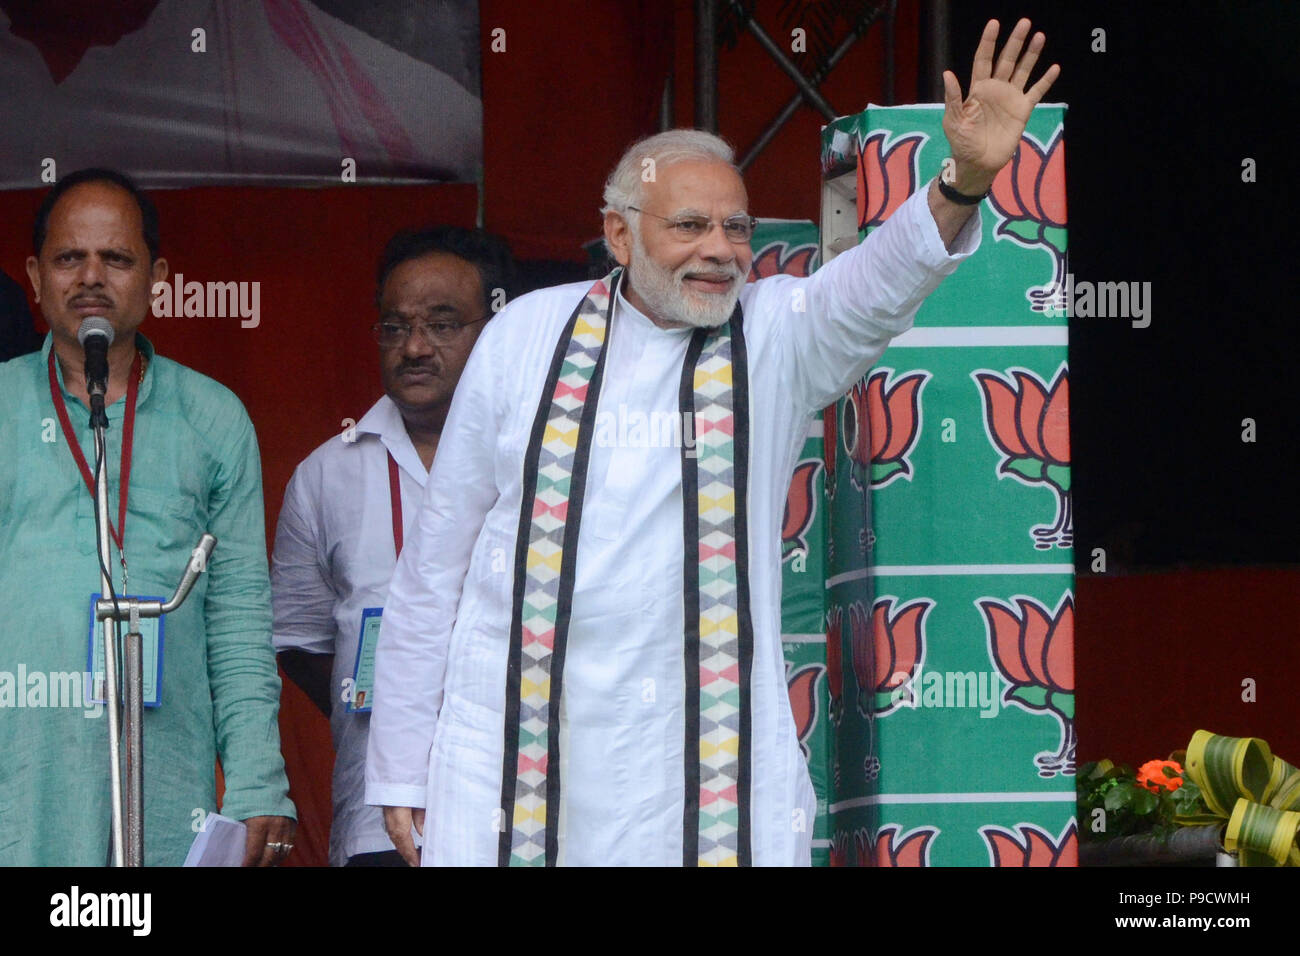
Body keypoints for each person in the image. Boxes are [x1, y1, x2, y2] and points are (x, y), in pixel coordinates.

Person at [366, 19, 1059, 866]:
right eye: (690, 226)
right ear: (619, 236)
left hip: (694, 761)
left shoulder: (773, 332)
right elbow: (435, 567)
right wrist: (400, 766)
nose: (721, 252)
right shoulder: (523, 338)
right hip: (522, 755)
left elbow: (874, 286)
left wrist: (963, 182)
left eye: (737, 229)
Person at [0, 168, 295, 866]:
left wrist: (257, 779)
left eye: (118, 259)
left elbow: (239, 614)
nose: (92, 277)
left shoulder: (212, 417)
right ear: (35, 276)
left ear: (157, 276)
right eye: (70, 258)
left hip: (166, 772)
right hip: (25, 771)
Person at [271, 226, 515, 866]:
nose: (413, 347)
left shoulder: (542, 459)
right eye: (394, 326)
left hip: (519, 812)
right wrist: (384, 693)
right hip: (383, 825)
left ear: (495, 326)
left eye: (442, 324)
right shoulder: (327, 474)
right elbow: (299, 643)